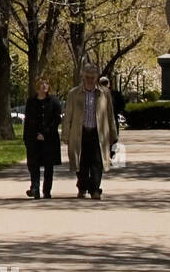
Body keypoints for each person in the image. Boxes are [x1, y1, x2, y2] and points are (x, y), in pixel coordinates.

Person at [63, 63, 116, 200]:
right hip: (80, 133)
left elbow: (110, 115)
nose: (90, 79)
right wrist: (65, 134)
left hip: (98, 133)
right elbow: (68, 115)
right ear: (83, 76)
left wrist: (113, 135)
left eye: (92, 77)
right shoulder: (73, 94)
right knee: (81, 163)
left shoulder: (104, 93)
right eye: (87, 77)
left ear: (97, 77)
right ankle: (82, 187)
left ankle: (95, 190)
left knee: (97, 163)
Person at [22, 78, 61, 199]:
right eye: (42, 84)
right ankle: (35, 188)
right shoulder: (31, 101)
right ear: (37, 86)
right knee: (34, 164)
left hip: (49, 139)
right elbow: (28, 120)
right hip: (33, 138)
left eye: (46, 84)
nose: (44, 86)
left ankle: (47, 190)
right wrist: (28, 137)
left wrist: (45, 133)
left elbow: (57, 119)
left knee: (49, 166)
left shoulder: (54, 101)